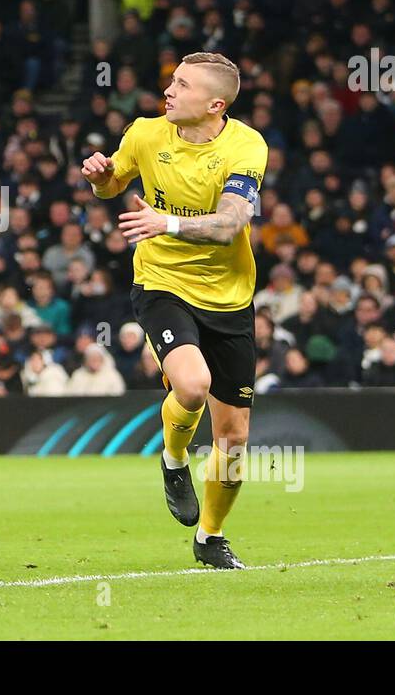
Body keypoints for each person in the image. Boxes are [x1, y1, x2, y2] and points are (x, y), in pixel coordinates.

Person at [82, 51, 267, 569]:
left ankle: (210, 537)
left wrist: (168, 223)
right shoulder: (145, 132)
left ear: (213, 105)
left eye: (181, 86)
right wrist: (100, 176)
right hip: (162, 282)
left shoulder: (246, 146)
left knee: (233, 438)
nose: (169, 91)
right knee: (190, 385)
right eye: (171, 81)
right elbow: (113, 183)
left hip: (230, 296)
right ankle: (174, 458)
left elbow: (231, 223)